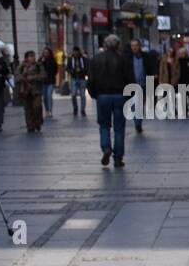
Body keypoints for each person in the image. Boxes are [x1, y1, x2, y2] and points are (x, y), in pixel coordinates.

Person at [87, 33, 135, 167]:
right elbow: (131, 79)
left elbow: (90, 80)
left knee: (104, 125)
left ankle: (106, 147)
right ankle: (118, 157)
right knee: (119, 128)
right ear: (118, 45)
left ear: (105, 45)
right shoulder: (124, 59)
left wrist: (94, 95)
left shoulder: (96, 59)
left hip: (102, 96)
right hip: (120, 96)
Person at [126, 38, 159, 133]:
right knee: (134, 105)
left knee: (140, 104)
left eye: (136, 45)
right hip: (132, 84)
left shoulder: (146, 57)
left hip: (144, 84)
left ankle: (138, 123)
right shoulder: (128, 58)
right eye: (132, 46)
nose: (134, 47)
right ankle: (137, 122)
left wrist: (154, 74)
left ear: (139, 46)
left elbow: (152, 67)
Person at [14, 51, 48, 133]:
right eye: (31, 56)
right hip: (25, 91)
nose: (33, 58)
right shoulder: (21, 67)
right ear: (26, 58)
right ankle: (30, 126)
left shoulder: (38, 66)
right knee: (28, 109)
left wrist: (33, 77)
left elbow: (44, 76)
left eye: (33, 56)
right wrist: (23, 78)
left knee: (37, 107)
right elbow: (16, 76)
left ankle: (38, 122)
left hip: (36, 90)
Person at [67, 47, 89, 116]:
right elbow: (67, 68)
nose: (75, 53)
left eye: (76, 52)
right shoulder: (70, 59)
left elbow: (87, 67)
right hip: (74, 78)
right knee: (73, 95)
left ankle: (83, 109)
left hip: (82, 78)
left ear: (79, 52)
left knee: (82, 95)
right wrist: (72, 71)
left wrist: (82, 71)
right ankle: (75, 108)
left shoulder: (83, 59)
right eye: (74, 52)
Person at [39, 46, 56, 121]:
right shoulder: (40, 61)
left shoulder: (52, 60)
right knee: (45, 97)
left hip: (51, 81)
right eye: (44, 53)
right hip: (43, 81)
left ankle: (50, 110)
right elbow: (37, 68)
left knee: (49, 95)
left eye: (47, 53)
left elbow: (55, 70)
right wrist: (42, 62)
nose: (46, 54)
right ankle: (46, 110)